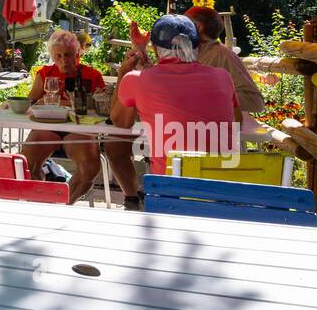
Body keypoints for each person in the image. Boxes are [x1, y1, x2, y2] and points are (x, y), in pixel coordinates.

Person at [107, 15, 238, 210]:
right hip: (222, 193)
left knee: (115, 146)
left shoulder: (136, 80)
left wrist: (123, 73)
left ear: (154, 47)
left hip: (169, 194)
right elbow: (238, 120)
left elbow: (119, 122)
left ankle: (132, 200)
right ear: (198, 47)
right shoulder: (222, 77)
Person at [20, 28, 108, 204]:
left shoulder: (92, 75)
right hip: (49, 127)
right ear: (52, 56)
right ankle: (44, 202)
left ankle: (65, 203)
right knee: (27, 165)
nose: (63, 60)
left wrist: (87, 100)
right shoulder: (45, 74)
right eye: (58, 55)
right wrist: (40, 103)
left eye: (68, 55)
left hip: (80, 129)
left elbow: (103, 106)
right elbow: (31, 103)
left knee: (89, 169)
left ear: (77, 53)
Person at [184, 5, 265, 115]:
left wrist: (210, 96)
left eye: (185, 23)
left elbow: (255, 102)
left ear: (198, 27)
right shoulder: (188, 52)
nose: (180, 27)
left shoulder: (224, 55)